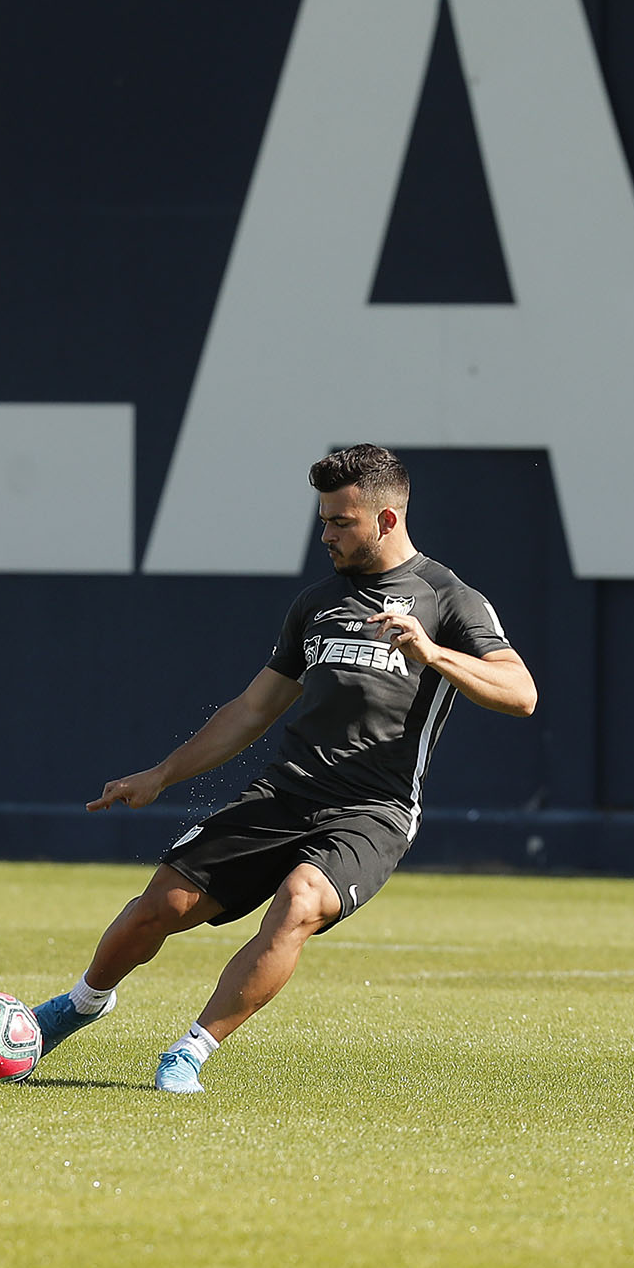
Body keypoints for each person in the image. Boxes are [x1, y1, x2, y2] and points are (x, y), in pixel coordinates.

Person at [32, 443, 537, 1093]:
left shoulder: (448, 598)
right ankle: (82, 1002)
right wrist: (161, 774)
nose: (325, 533)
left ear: (386, 520)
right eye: (323, 518)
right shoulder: (316, 601)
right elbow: (252, 709)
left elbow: (521, 692)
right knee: (157, 908)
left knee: (299, 901)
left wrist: (433, 653)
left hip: (373, 812)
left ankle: (189, 1052)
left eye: (339, 521)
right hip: (284, 794)